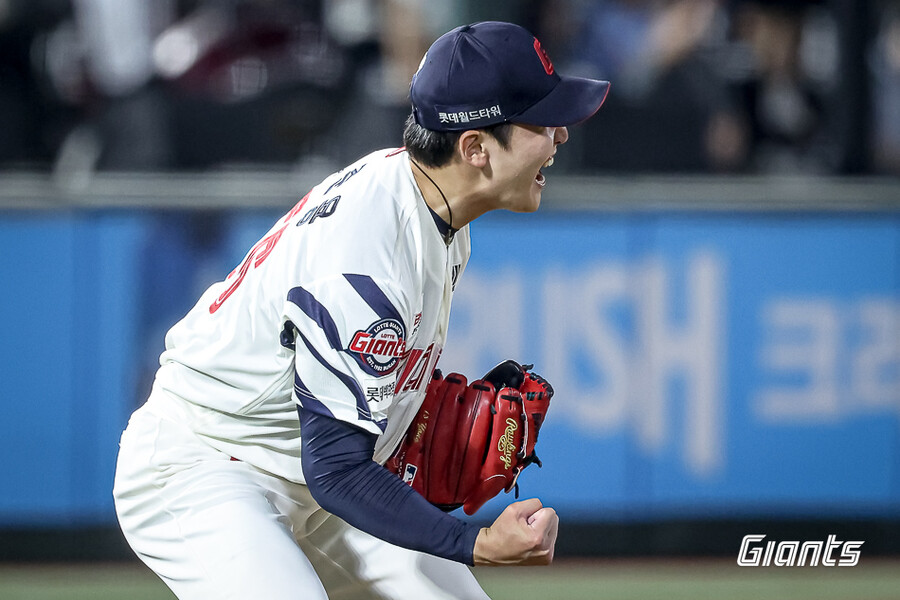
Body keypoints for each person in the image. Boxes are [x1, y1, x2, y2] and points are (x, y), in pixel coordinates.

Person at [113, 21, 609, 600]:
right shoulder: (367, 257)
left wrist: (407, 424)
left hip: (303, 473)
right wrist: (473, 541)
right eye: (543, 122)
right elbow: (338, 470)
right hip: (204, 463)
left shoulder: (436, 208)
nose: (561, 136)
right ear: (474, 148)